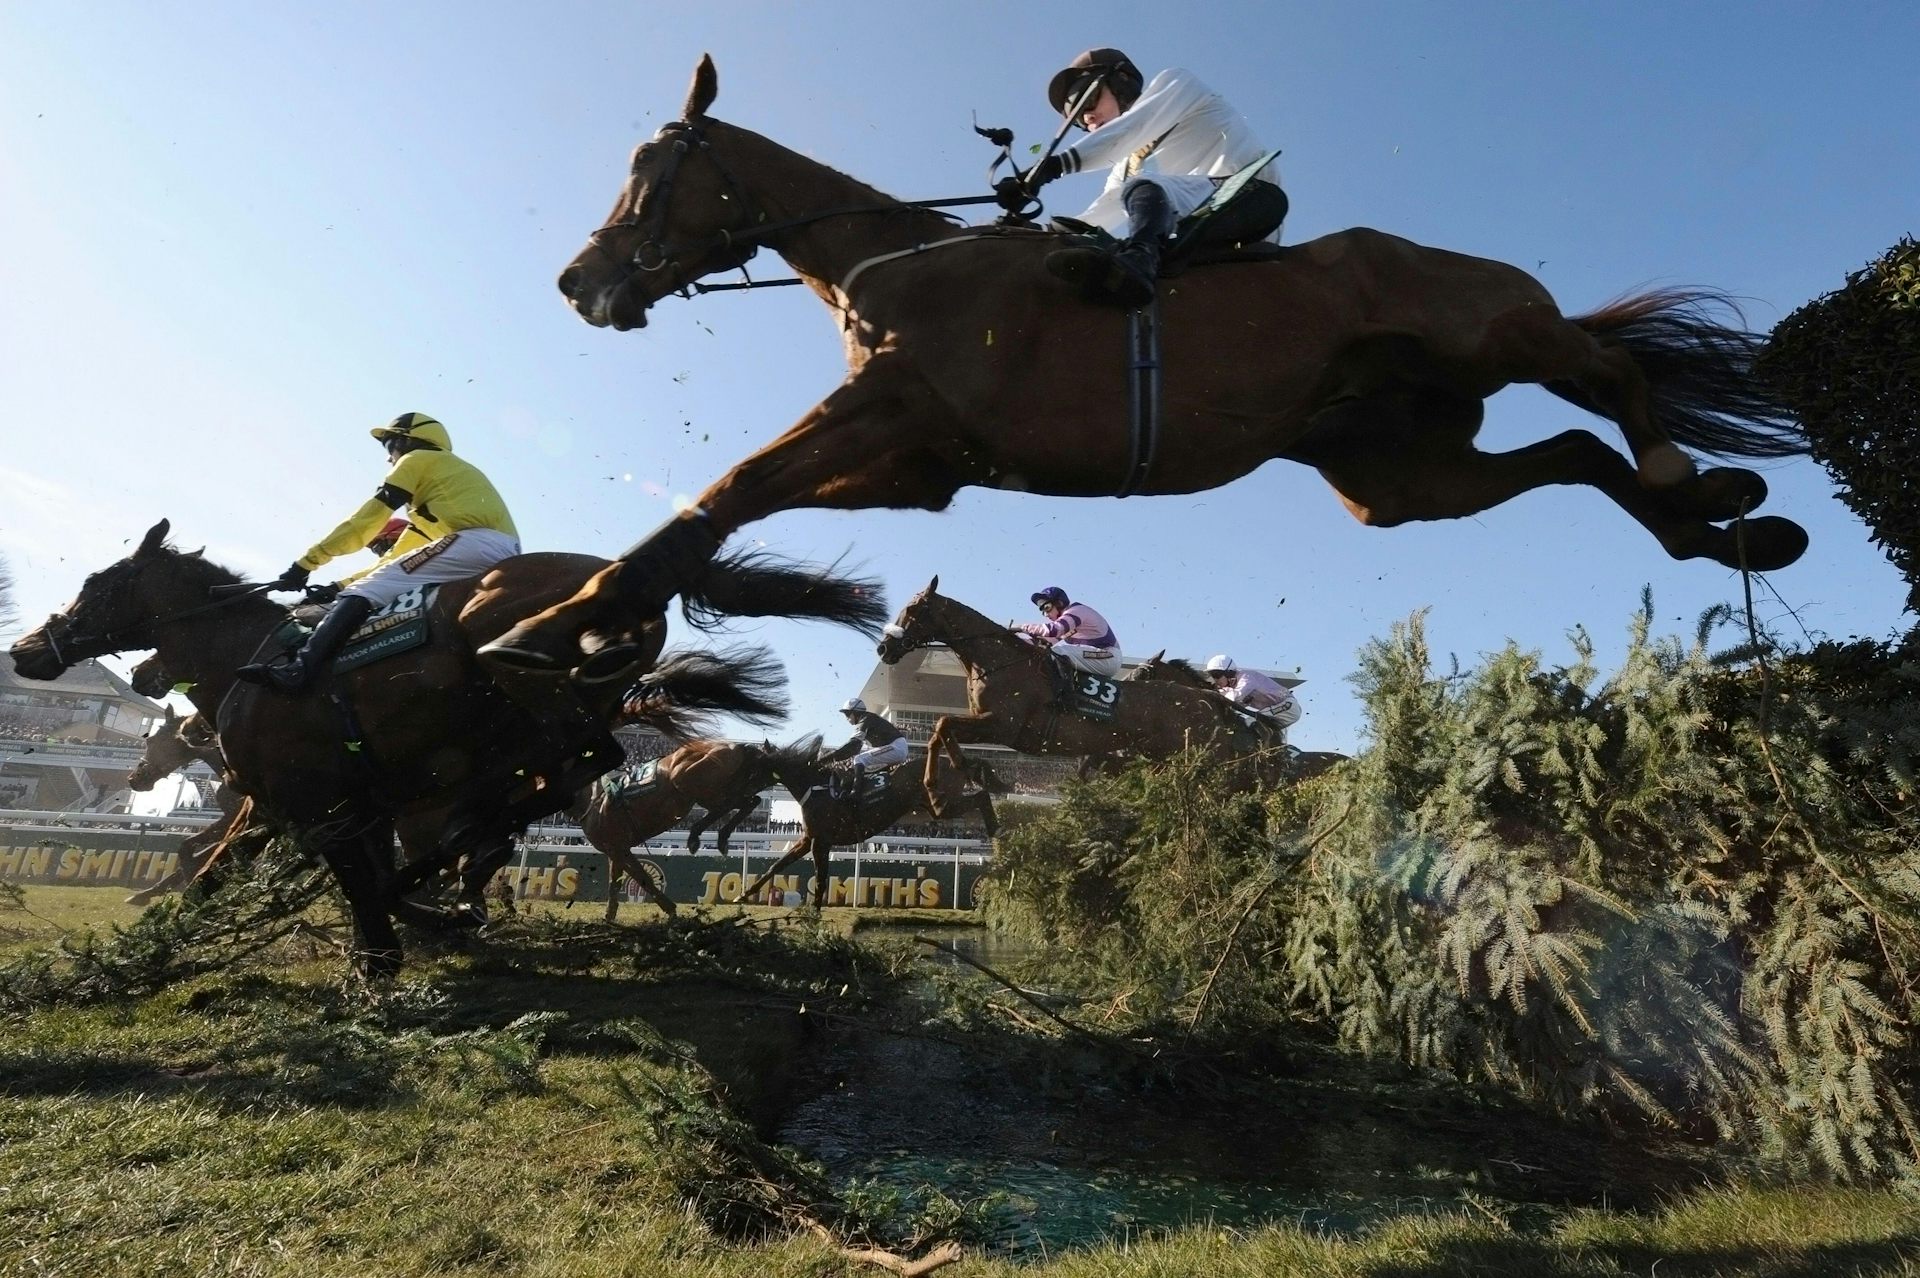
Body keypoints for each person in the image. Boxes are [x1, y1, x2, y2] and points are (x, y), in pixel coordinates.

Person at [237, 413, 521, 693]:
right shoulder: (443, 487)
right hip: (497, 550)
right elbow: (395, 559)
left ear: (409, 441)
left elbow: (366, 521)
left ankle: (300, 669)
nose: (388, 458)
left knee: (362, 594)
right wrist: (336, 586)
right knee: (372, 587)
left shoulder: (417, 460)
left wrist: (305, 564)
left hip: (474, 544)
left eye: (389, 446)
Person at [997, 47, 1285, 307]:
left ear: (1122, 81)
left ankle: (1138, 263)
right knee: (1111, 224)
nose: (1086, 118)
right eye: (1075, 114)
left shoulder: (1177, 84)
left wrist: (1049, 167)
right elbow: (1102, 211)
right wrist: (1033, 234)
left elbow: (1129, 130)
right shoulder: (1126, 164)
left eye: (1085, 98)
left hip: (1250, 199)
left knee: (1141, 189)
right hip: (1199, 224)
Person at [1016, 586, 1122, 680]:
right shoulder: (1071, 625)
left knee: (1059, 652)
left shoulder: (1077, 611)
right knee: (1049, 651)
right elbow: (1044, 642)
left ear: (1059, 603)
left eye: (1047, 608)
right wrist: (1016, 642)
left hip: (1109, 657)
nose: (1046, 615)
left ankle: (1065, 695)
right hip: (1101, 658)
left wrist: (1022, 627)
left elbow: (1053, 630)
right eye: (1043, 612)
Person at [1205, 654, 1302, 744]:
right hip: (1280, 707)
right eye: (1212, 676)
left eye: (1216, 675)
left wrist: (1214, 692)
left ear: (1229, 673)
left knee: (1249, 723)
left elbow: (1234, 698)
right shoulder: (1233, 686)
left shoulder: (1246, 678)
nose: (1215, 680)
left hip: (1287, 706)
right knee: (1251, 726)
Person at [825, 697, 910, 792]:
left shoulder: (865, 719)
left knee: (859, 759)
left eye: (847, 714)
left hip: (896, 747)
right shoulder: (867, 719)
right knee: (859, 763)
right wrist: (834, 758)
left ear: (856, 713)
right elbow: (854, 749)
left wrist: (830, 757)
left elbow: (852, 744)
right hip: (895, 747)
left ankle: (856, 792)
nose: (846, 718)